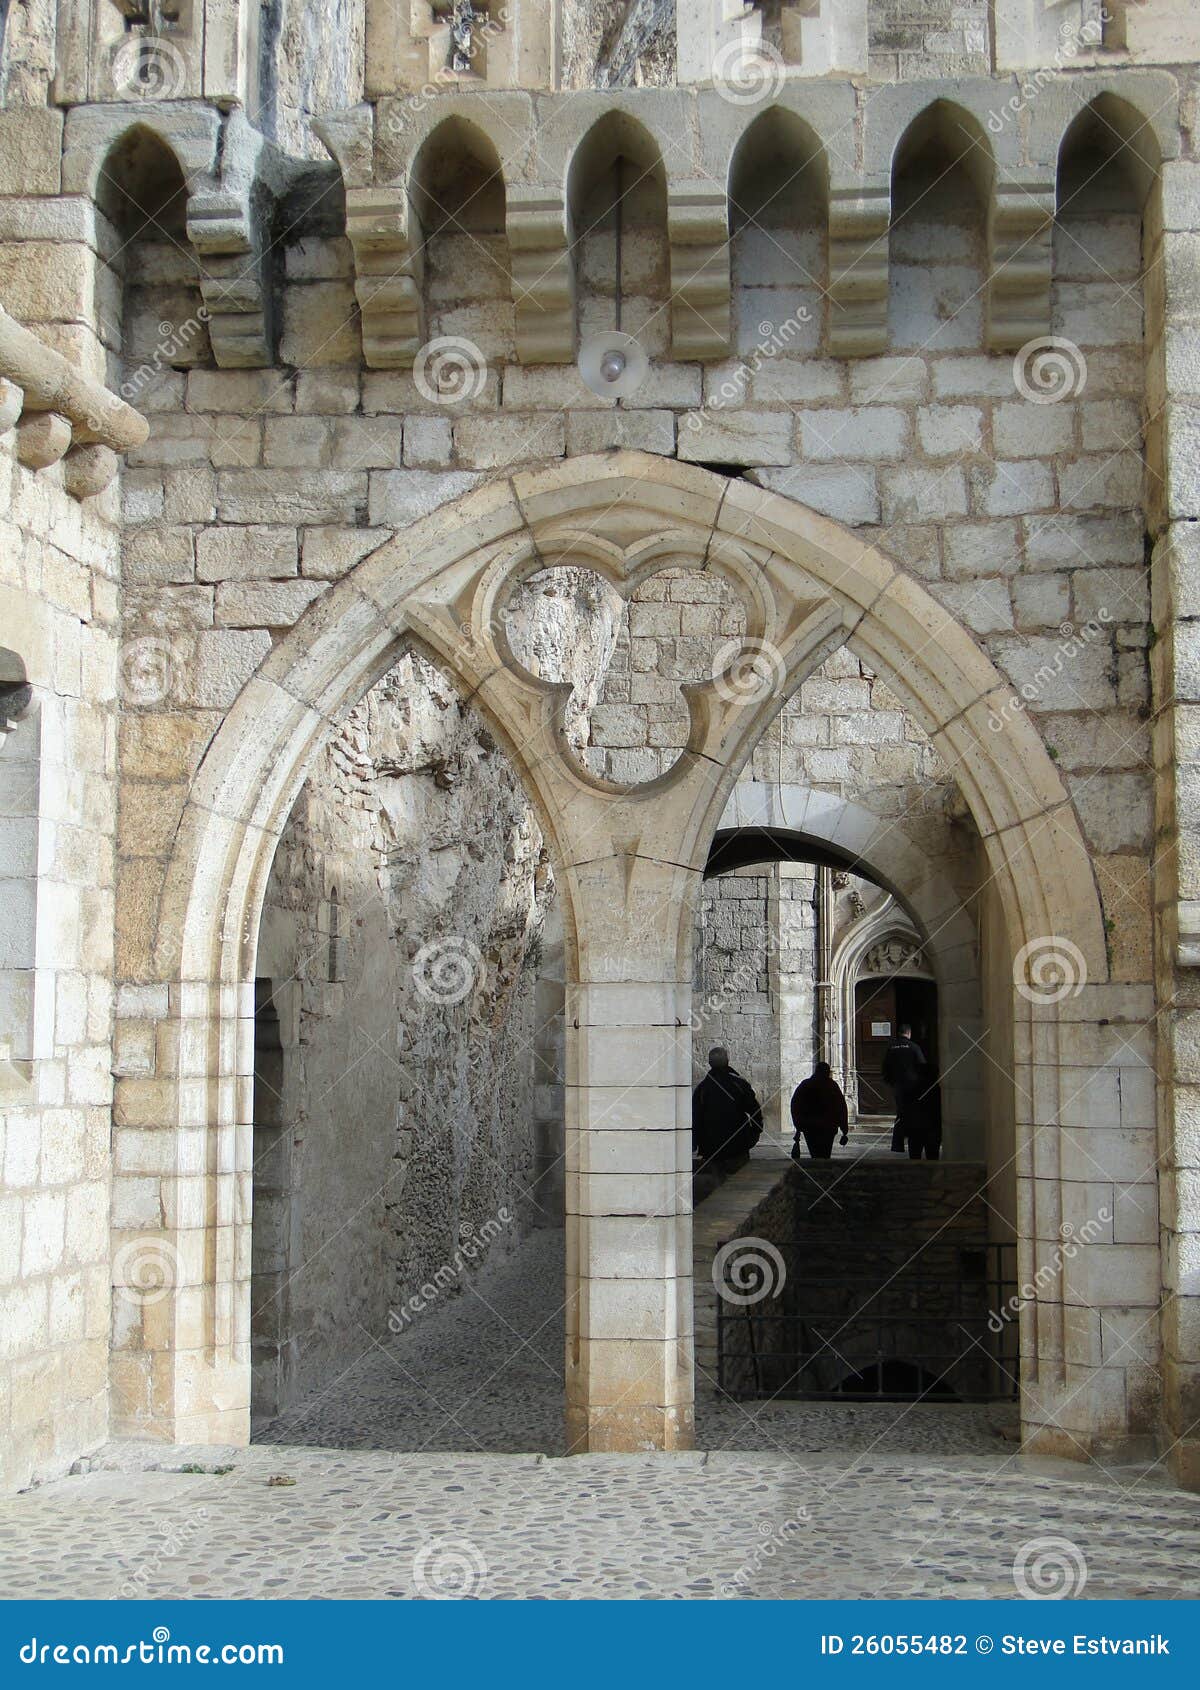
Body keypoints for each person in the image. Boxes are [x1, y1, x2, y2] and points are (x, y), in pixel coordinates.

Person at [692, 1047, 763, 1171]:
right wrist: (755, 1131)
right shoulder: (738, 1084)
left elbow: (695, 1118)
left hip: (711, 1147)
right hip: (737, 1145)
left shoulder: (702, 1089)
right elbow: (754, 1109)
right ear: (727, 1061)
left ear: (709, 1063)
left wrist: (695, 1143)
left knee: (715, 1183)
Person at [790, 1061, 849, 1161]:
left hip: (810, 1126)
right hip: (828, 1126)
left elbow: (795, 1105)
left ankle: (815, 1172)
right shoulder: (832, 1086)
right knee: (825, 1153)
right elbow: (841, 1107)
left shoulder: (806, 1084)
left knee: (814, 1153)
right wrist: (844, 1128)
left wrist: (798, 1124)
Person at [882, 1023, 926, 1153]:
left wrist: (891, 1082)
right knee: (913, 1114)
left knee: (901, 1113)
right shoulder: (914, 1047)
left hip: (898, 1086)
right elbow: (922, 1066)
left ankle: (897, 1144)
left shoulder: (891, 1047)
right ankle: (914, 1144)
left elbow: (885, 1068)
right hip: (913, 1086)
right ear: (909, 1033)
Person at [906, 1061, 943, 1161]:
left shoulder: (912, 1089)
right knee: (933, 1158)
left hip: (915, 1128)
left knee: (914, 1157)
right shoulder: (937, 1090)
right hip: (932, 1129)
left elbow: (906, 1109)